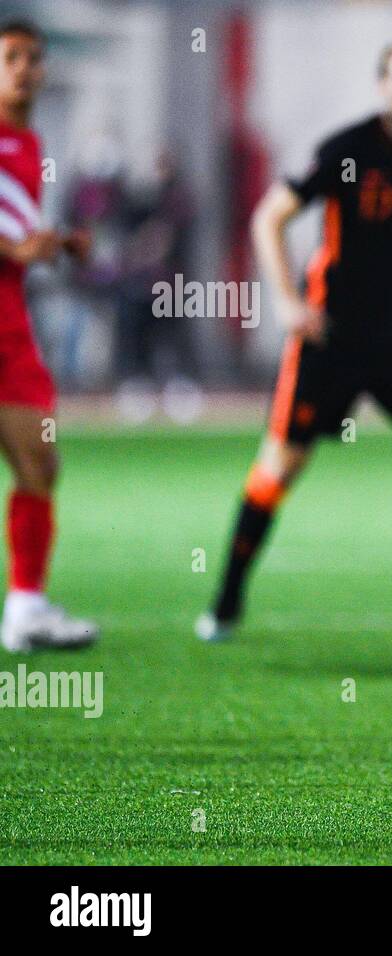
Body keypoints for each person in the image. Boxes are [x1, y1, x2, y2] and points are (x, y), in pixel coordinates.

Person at [197, 38, 392, 641]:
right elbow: (268, 217)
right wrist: (285, 300)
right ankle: (224, 603)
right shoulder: (348, 149)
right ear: (384, 86)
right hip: (331, 332)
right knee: (281, 464)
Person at [0, 20, 98, 653]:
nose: (25, 69)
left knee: (41, 460)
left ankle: (26, 610)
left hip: (10, 327)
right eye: (10, 57)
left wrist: (52, 244)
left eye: (34, 58)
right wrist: (18, 248)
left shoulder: (29, 143)